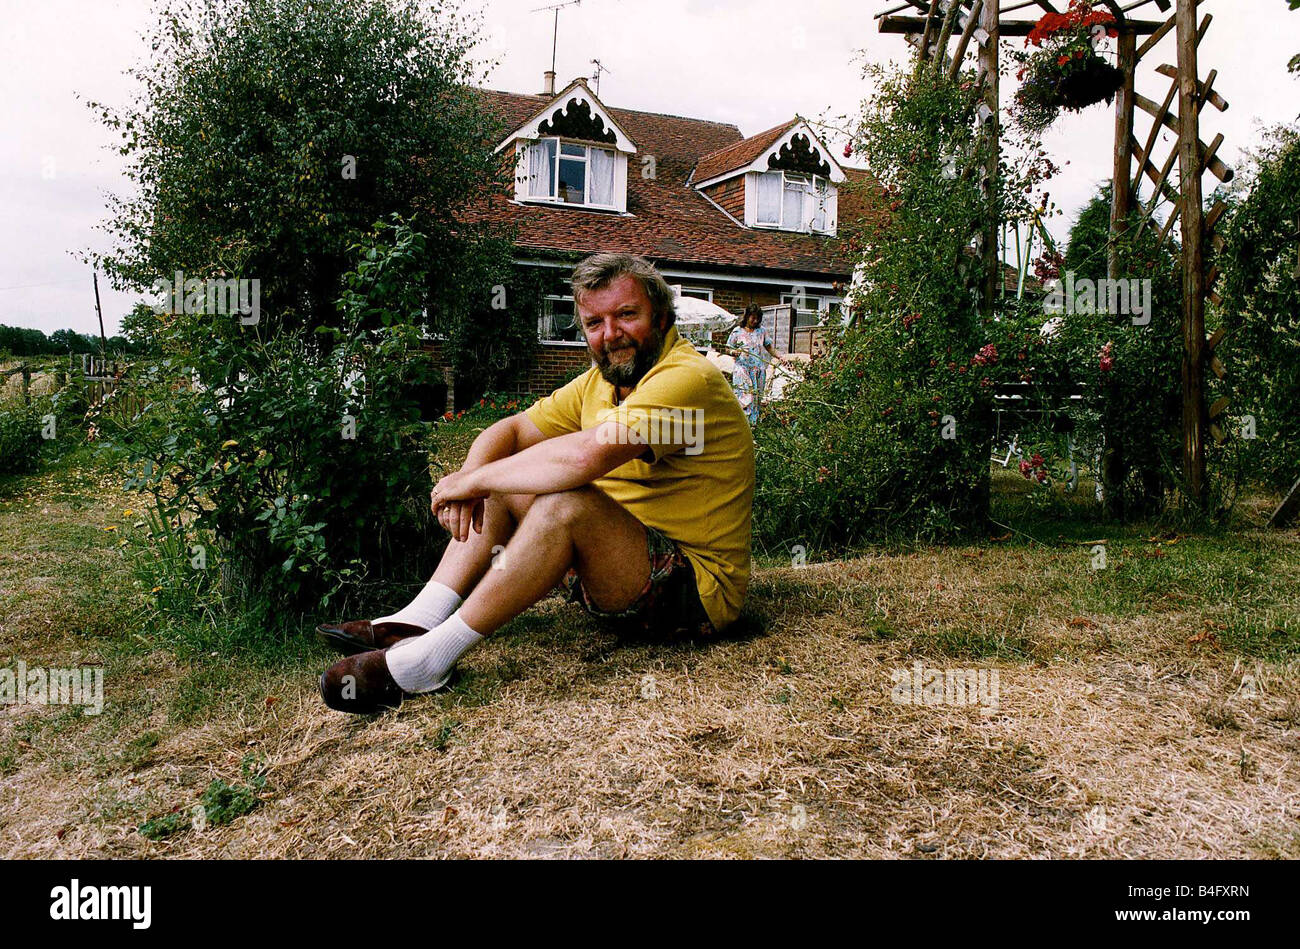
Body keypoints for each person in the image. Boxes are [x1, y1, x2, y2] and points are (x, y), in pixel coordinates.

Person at [317, 253, 755, 714]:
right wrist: (473, 477)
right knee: (513, 476)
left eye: (627, 315)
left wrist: (473, 482)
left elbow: (587, 456)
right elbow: (510, 430)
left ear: (662, 317)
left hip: (695, 596)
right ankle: (417, 621)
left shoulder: (689, 380)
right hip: (619, 570)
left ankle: (431, 660)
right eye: (594, 323)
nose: (610, 334)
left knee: (563, 501)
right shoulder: (598, 383)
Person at [726, 304, 787, 425]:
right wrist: (734, 352)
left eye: (758, 318)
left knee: (756, 399)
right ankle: (742, 424)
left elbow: (769, 348)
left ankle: (754, 427)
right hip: (742, 369)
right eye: (753, 318)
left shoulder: (762, 331)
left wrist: (780, 357)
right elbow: (727, 348)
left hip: (758, 370)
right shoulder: (737, 331)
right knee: (745, 397)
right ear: (747, 316)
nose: (755, 321)